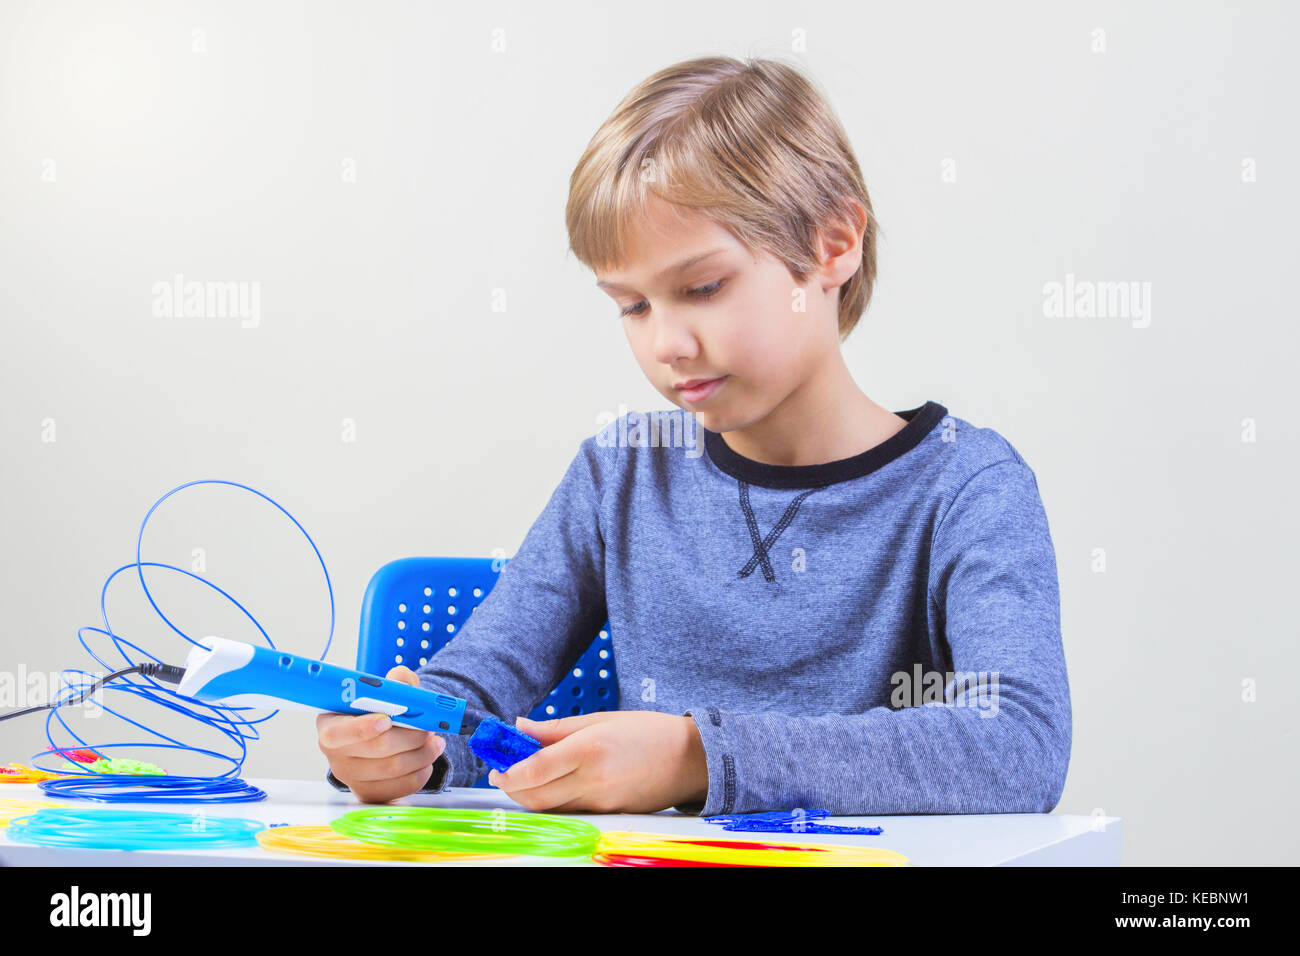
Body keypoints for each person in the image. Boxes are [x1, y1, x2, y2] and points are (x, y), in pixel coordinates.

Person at [318, 55, 1071, 816]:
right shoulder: (621, 474)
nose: (666, 344)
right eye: (632, 306)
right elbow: (472, 701)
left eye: (702, 288)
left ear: (834, 244)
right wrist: (411, 749)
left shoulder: (967, 486)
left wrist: (697, 758)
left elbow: (1018, 747)